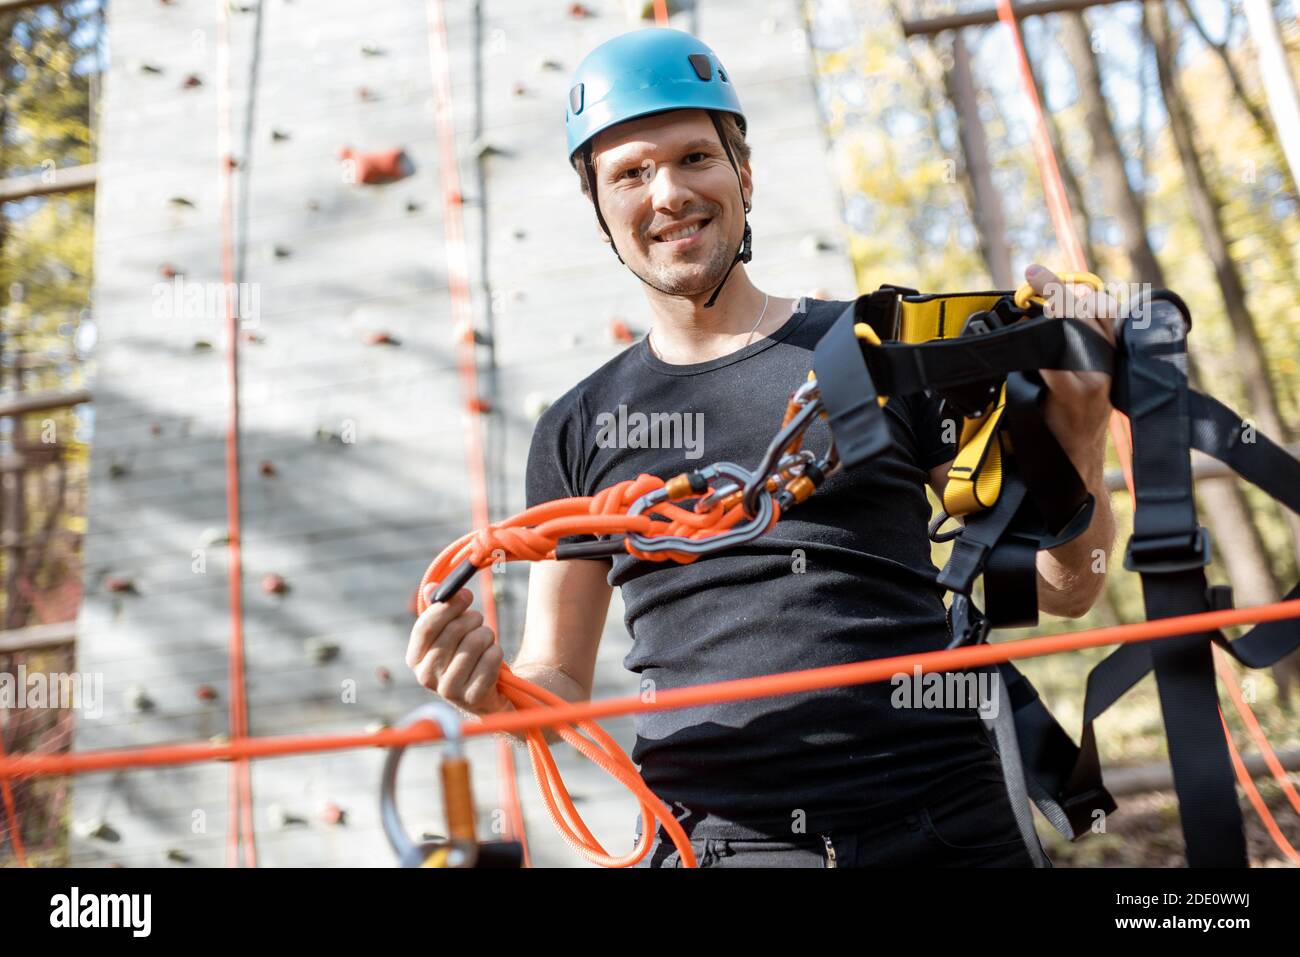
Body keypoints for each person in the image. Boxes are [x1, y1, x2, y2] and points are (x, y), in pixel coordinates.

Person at [405, 27, 1118, 867]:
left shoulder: (881, 347)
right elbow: (554, 683)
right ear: (601, 209)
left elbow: (1061, 591)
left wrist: (1079, 427)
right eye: (630, 172)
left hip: (946, 816)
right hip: (720, 837)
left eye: (694, 158)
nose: (667, 191)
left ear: (743, 174)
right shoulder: (579, 427)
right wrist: (492, 690)